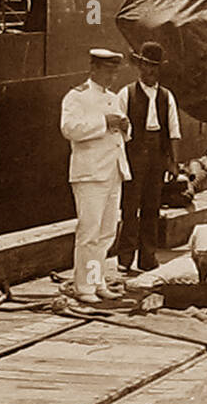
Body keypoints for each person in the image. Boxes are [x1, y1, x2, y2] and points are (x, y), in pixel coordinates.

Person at [60, 48, 131, 303]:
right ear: (94, 69)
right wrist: (105, 122)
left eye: (114, 71)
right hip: (90, 173)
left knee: (107, 232)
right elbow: (70, 129)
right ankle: (85, 287)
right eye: (108, 70)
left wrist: (124, 127)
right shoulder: (76, 97)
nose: (112, 76)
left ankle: (97, 280)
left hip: (113, 170)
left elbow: (120, 134)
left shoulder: (113, 97)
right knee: (89, 232)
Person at [114, 42, 181, 274]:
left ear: (159, 70)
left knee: (152, 207)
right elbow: (119, 132)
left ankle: (148, 257)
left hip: (156, 155)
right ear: (139, 66)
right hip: (134, 154)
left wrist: (173, 162)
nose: (149, 72)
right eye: (146, 66)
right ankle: (125, 258)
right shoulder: (126, 94)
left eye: (154, 68)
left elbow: (173, 131)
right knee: (130, 207)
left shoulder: (166, 97)